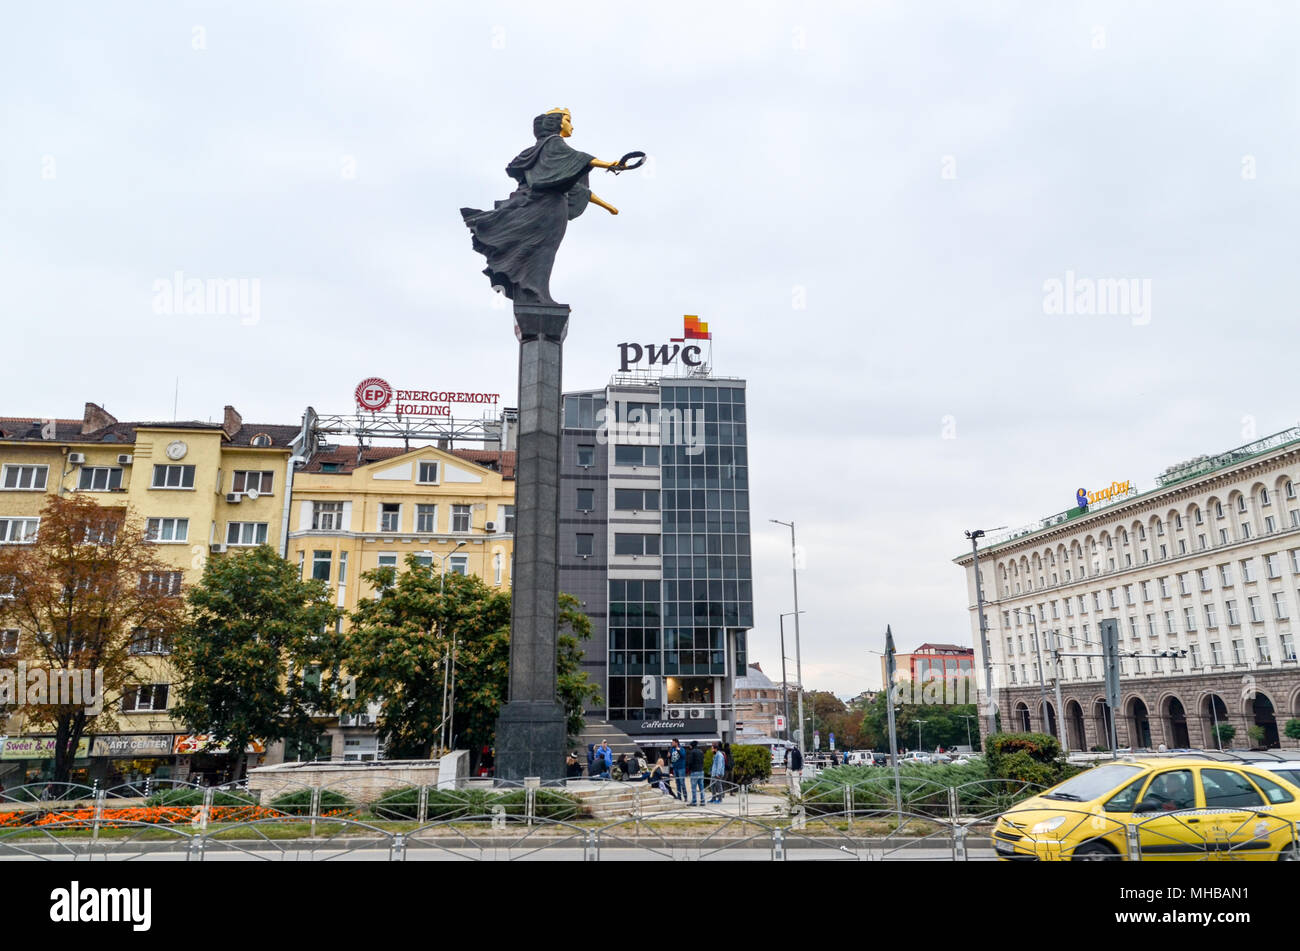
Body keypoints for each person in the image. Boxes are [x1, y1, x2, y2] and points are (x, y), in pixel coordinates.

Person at [460, 108, 626, 306]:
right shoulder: (554, 143)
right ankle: (537, 292)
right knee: (543, 250)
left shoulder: (543, 153)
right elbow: (581, 158)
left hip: (548, 206)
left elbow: (579, 189)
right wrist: (609, 164)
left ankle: (535, 291)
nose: (571, 126)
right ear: (557, 123)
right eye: (568, 120)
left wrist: (607, 206)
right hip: (549, 207)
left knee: (540, 249)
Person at [686, 740, 706, 805]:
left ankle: (694, 801)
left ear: (692, 746)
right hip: (701, 770)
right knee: (701, 787)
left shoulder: (692, 752)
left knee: (693, 787)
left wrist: (688, 769)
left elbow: (690, 762)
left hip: (694, 771)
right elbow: (703, 760)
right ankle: (702, 801)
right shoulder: (701, 751)